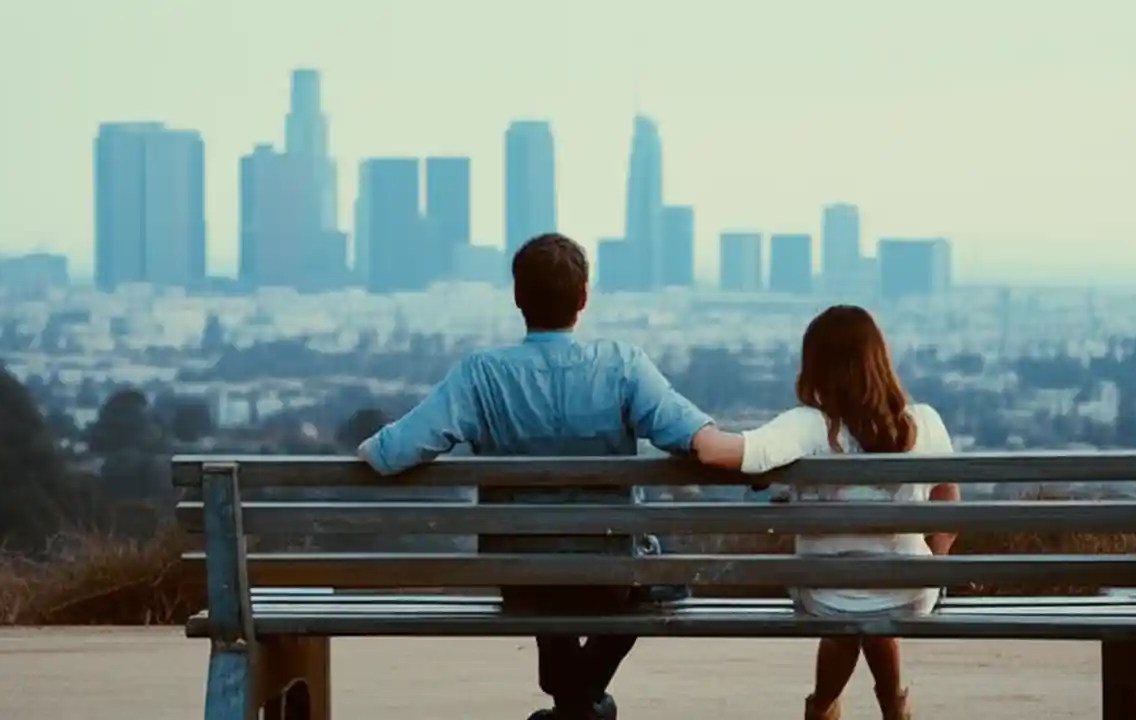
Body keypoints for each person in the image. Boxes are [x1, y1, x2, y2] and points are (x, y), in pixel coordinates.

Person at [357, 233, 714, 720]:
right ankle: (580, 698)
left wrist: (366, 444)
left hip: (519, 576)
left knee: (549, 555)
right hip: (608, 575)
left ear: (518, 299)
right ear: (583, 298)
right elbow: (696, 436)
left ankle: (572, 700)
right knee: (660, 576)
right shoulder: (623, 366)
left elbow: (390, 453)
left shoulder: (480, 374)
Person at [691, 305, 960, 720]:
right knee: (875, 602)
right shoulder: (925, 423)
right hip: (911, 593)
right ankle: (893, 707)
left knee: (849, 608)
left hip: (825, 595)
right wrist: (935, 564)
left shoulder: (807, 426)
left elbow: (727, 452)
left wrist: (693, 432)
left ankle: (821, 708)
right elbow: (949, 496)